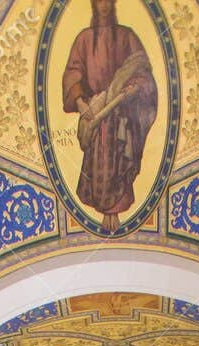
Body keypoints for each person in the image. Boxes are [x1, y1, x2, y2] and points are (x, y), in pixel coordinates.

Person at [62, 0, 157, 234]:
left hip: (122, 113)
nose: (103, 5)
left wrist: (133, 87)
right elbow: (73, 74)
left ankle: (115, 208)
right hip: (96, 111)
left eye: (107, 1)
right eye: (99, 1)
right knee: (99, 161)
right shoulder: (84, 39)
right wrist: (80, 101)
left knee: (120, 159)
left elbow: (142, 71)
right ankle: (103, 206)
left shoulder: (127, 36)